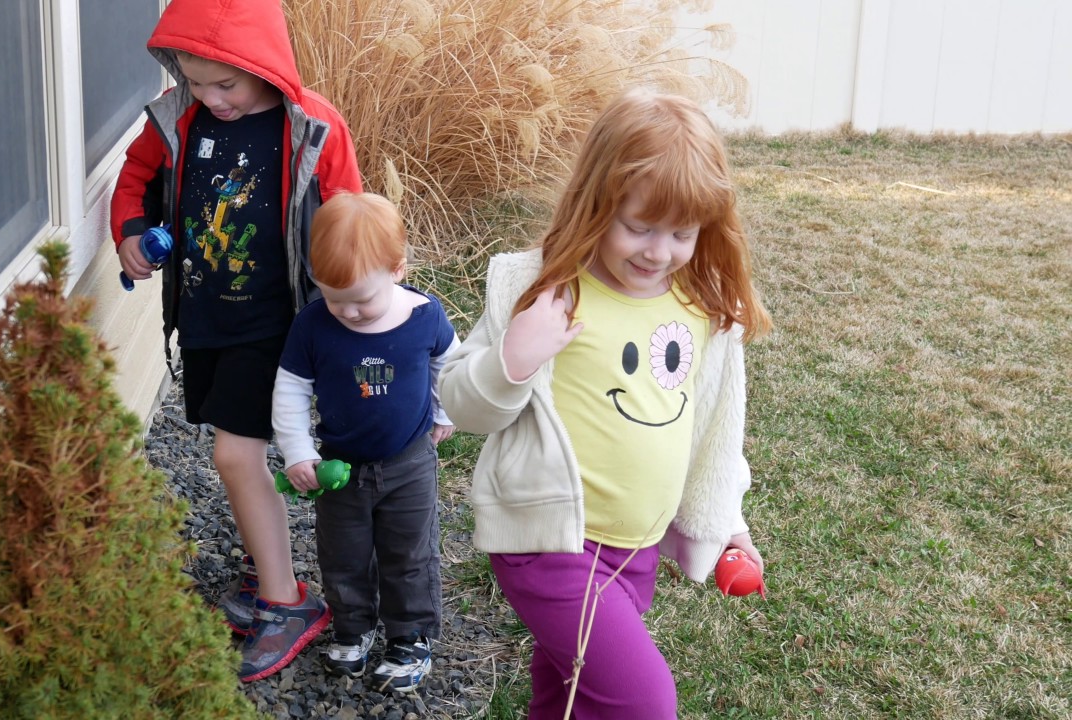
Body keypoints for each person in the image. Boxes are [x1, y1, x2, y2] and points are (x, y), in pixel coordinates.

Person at [438, 89, 772, 718]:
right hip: (551, 542)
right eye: (639, 226)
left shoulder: (702, 306)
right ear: (597, 202)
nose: (658, 251)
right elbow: (461, 402)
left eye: (682, 232)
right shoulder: (546, 289)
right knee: (643, 702)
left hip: (635, 546)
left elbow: (717, 426)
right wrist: (515, 356)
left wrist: (728, 518)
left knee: (570, 693)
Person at [110, 0, 363, 683]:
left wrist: (353, 305)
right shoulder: (178, 120)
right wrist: (132, 234)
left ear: (268, 69)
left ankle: (287, 601)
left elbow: (348, 217)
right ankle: (264, 556)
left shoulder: (311, 126)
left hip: (275, 322)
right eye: (196, 83)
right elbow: (135, 179)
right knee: (238, 456)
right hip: (207, 316)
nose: (211, 99)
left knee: (234, 454)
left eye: (228, 85)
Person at [271, 192, 460, 693]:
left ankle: (409, 636)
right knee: (343, 553)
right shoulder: (313, 325)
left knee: (409, 552)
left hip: (409, 461)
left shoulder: (423, 316)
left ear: (398, 269)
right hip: (343, 464)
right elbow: (290, 388)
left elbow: (451, 363)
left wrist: (445, 410)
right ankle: (353, 629)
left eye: (361, 299)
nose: (349, 313)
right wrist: (299, 452)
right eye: (334, 298)